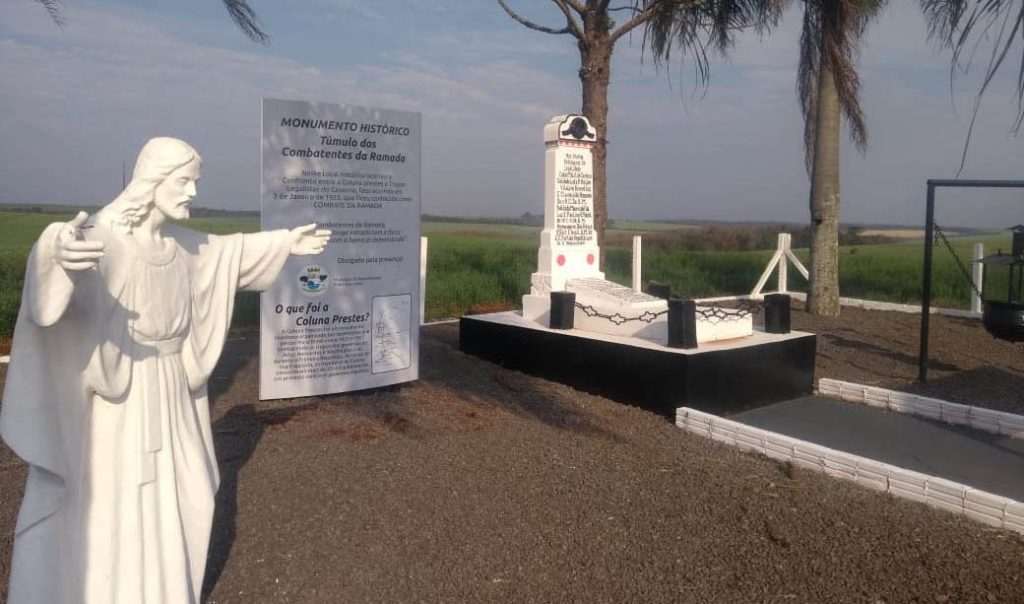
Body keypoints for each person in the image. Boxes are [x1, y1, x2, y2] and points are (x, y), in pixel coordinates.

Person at [0, 137, 330, 603]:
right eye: (184, 180)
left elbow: (228, 253)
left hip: (174, 392)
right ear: (152, 181)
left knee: (188, 488)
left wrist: (285, 242)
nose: (193, 191)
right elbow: (65, 249)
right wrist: (56, 252)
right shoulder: (105, 239)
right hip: (122, 403)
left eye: (195, 181)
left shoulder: (180, 246)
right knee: (119, 499)